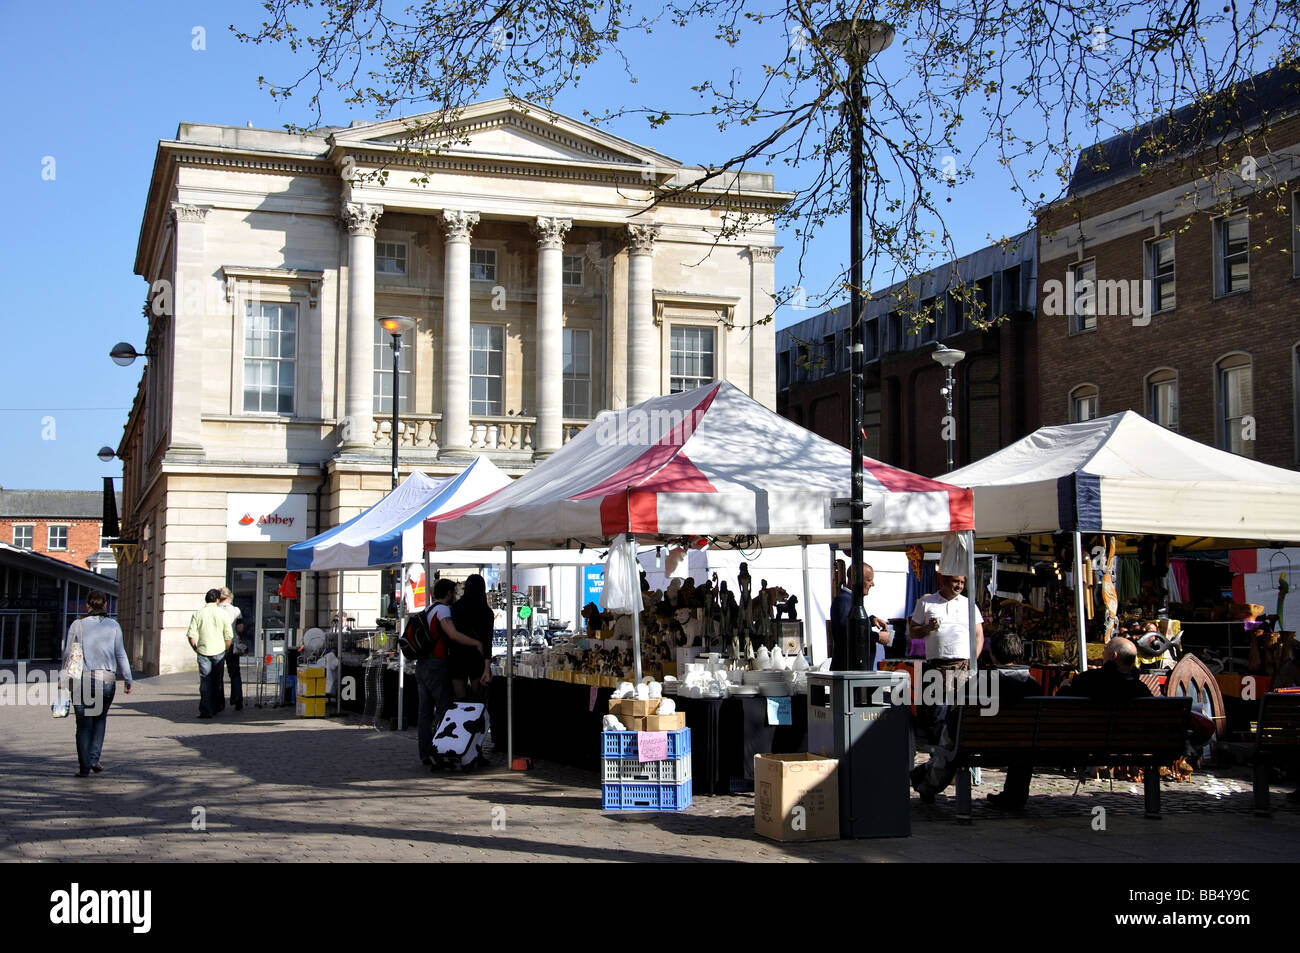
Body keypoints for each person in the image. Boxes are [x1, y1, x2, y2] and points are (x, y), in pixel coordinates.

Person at [911, 630, 1043, 808]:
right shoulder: (1033, 686)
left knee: (951, 740)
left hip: (982, 745)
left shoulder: (981, 682)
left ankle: (927, 784)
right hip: (1023, 745)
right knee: (1021, 745)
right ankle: (1015, 797)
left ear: (993, 655)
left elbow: (957, 717)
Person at [418, 578, 486, 769]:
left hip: (422, 665)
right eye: (453, 592)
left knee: (424, 713)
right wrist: (476, 643)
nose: (455, 596)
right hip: (436, 664)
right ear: (448, 593)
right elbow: (453, 634)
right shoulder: (443, 611)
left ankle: (425, 752)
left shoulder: (428, 609)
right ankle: (441, 751)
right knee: (444, 710)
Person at [64, 590, 133, 777]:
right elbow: (120, 654)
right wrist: (128, 678)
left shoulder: (77, 625)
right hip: (106, 680)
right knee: (100, 718)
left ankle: (84, 766)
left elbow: (67, 654)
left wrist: (64, 680)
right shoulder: (113, 626)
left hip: (81, 680)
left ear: (87, 605)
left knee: (83, 724)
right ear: (105, 606)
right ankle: (94, 758)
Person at [910, 573, 985, 744]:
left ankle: (959, 750)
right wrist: (928, 627)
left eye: (962, 583)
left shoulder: (968, 604)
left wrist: (974, 660)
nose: (959, 586)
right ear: (944, 581)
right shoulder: (926, 602)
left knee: (962, 713)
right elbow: (913, 632)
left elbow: (979, 635)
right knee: (938, 712)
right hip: (937, 667)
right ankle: (938, 753)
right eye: (955, 581)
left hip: (964, 666)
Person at [830, 563, 892, 670]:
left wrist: (871, 620)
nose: (872, 584)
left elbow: (853, 623)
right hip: (848, 672)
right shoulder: (844, 600)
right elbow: (849, 632)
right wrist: (877, 637)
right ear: (856, 579)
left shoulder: (849, 600)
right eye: (868, 580)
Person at [187, 588, 234, 719]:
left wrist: (195, 648)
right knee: (217, 680)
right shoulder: (222, 614)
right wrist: (226, 648)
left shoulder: (198, 613)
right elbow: (229, 635)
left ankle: (206, 710)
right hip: (219, 650)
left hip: (203, 651)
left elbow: (191, 635)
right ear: (217, 600)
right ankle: (217, 705)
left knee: (205, 681)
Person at [1060, 636, 1153, 701]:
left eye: (1105, 650)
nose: (1102, 654)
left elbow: (1064, 703)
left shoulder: (1089, 680)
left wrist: (1064, 687)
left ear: (1114, 656)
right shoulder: (1140, 689)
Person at [450, 574, 493, 702]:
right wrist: (487, 667)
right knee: (478, 700)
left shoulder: (455, 608)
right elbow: (488, 641)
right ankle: (476, 722)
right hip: (477, 658)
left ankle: (460, 722)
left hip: (457, 656)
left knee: (459, 700)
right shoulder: (486, 612)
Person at [216, 588, 244, 711]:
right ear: (230, 597)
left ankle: (219, 702)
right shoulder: (235, 610)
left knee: (218, 674)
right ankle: (237, 699)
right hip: (232, 643)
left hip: (217, 644)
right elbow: (240, 628)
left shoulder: (215, 609)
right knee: (234, 673)